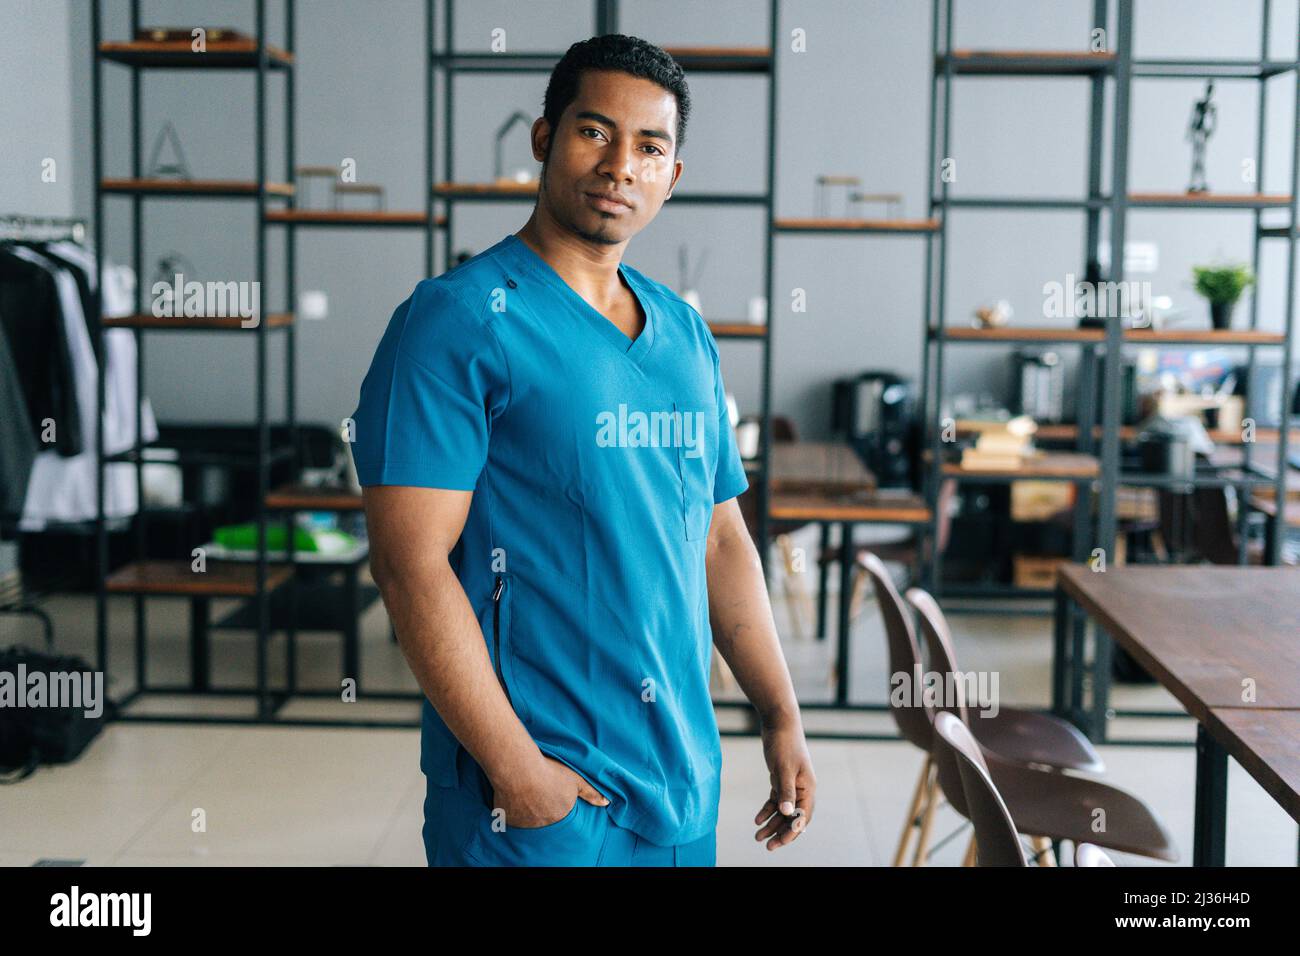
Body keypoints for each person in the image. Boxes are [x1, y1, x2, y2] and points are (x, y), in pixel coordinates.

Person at [351, 34, 814, 867]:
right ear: (544, 139)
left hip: (679, 786)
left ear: (671, 178)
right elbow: (408, 565)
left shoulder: (686, 335)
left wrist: (780, 713)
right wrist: (518, 773)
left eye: (649, 147)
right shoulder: (456, 321)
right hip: (535, 800)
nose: (618, 165)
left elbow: (719, 539)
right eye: (594, 132)